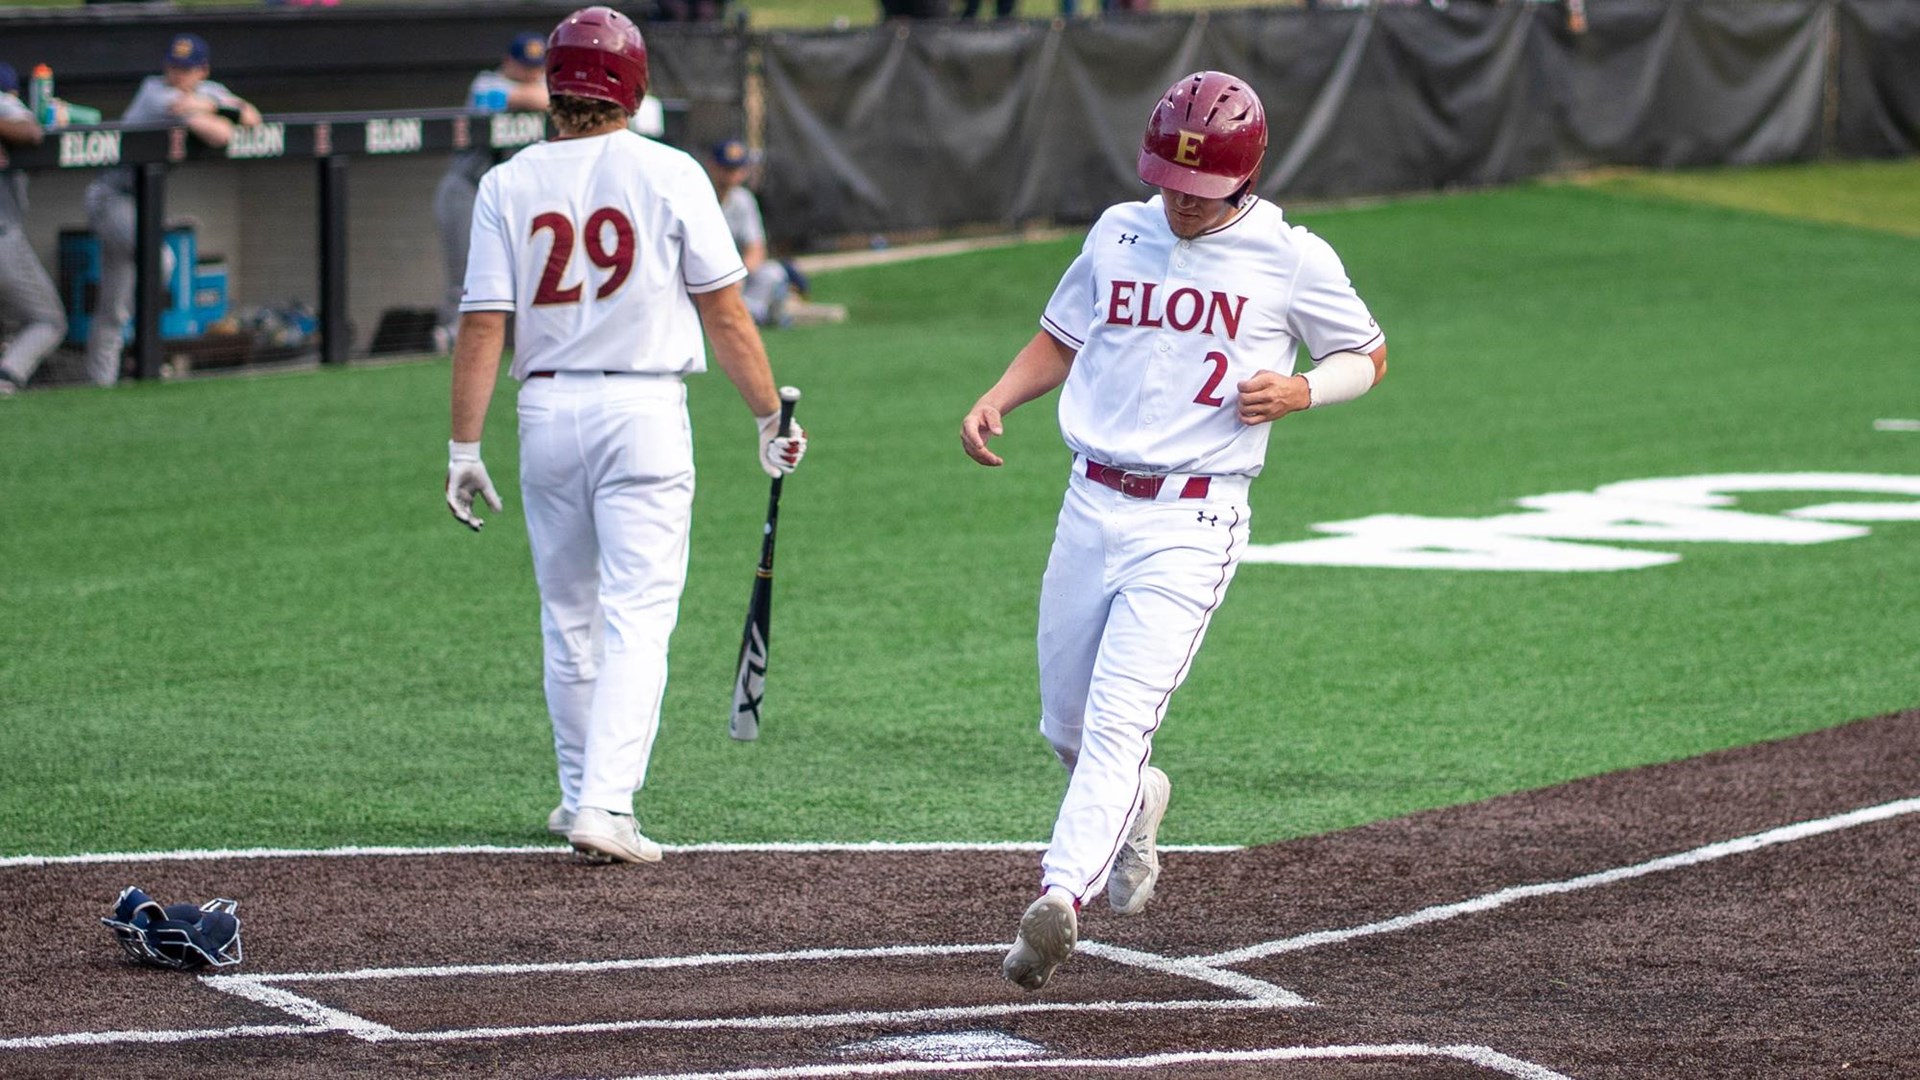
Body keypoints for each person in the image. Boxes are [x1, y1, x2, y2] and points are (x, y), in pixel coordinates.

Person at [959, 70, 1388, 991]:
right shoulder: (1120, 229)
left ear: (1244, 175)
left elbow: (1368, 352)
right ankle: (1142, 804)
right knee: (1066, 727)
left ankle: (1057, 898)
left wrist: (1307, 387)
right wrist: (999, 396)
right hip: (1090, 502)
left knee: (1116, 725)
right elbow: (1063, 335)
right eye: (1168, 183)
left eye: (1198, 191)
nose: (1180, 203)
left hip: (1194, 517)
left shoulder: (1291, 256)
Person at [444, 6, 808, 865]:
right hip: (643, 412)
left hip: (545, 414)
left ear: (554, 84)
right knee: (637, 615)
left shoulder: (507, 182)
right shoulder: (671, 171)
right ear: (632, 85)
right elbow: (725, 310)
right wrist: (767, 416)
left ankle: (579, 794)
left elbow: (483, 327)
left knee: (568, 614)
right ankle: (605, 804)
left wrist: (464, 446)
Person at [83, 34, 260, 387]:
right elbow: (218, 133)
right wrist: (215, 109)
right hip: (111, 197)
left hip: (137, 201)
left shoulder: (210, 90)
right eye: (173, 66)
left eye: (186, 69)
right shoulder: (153, 91)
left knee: (114, 307)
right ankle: (144, 355)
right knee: (160, 262)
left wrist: (207, 106)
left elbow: (252, 117)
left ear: (203, 70)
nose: (176, 75)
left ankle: (100, 382)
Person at [433, 32, 550, 352]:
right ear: (509, 62)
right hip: (467, 187)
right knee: (467, 274)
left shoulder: (542, 85)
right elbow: (525, 100)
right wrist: (543, 93)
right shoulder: (485, 84)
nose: (531, 73)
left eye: (537, 67)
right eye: (525, 66)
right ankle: (451, 341)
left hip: (508, 197)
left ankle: (510, 342)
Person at [704, 138, 845, 329]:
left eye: (736, 169)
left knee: (773, 273)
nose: (732, 175)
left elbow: (756, 249)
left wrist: (738, 277)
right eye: (726, 168)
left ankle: (750, 314)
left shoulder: (743, 200)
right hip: (705, 276)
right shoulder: (699, 197)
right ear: (712, 167)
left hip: (736, 278)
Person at [0, 62, 67, 397]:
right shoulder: (5, 103)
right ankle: (7, 378)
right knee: (48, 320)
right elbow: (32, 133)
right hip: (2, 237)